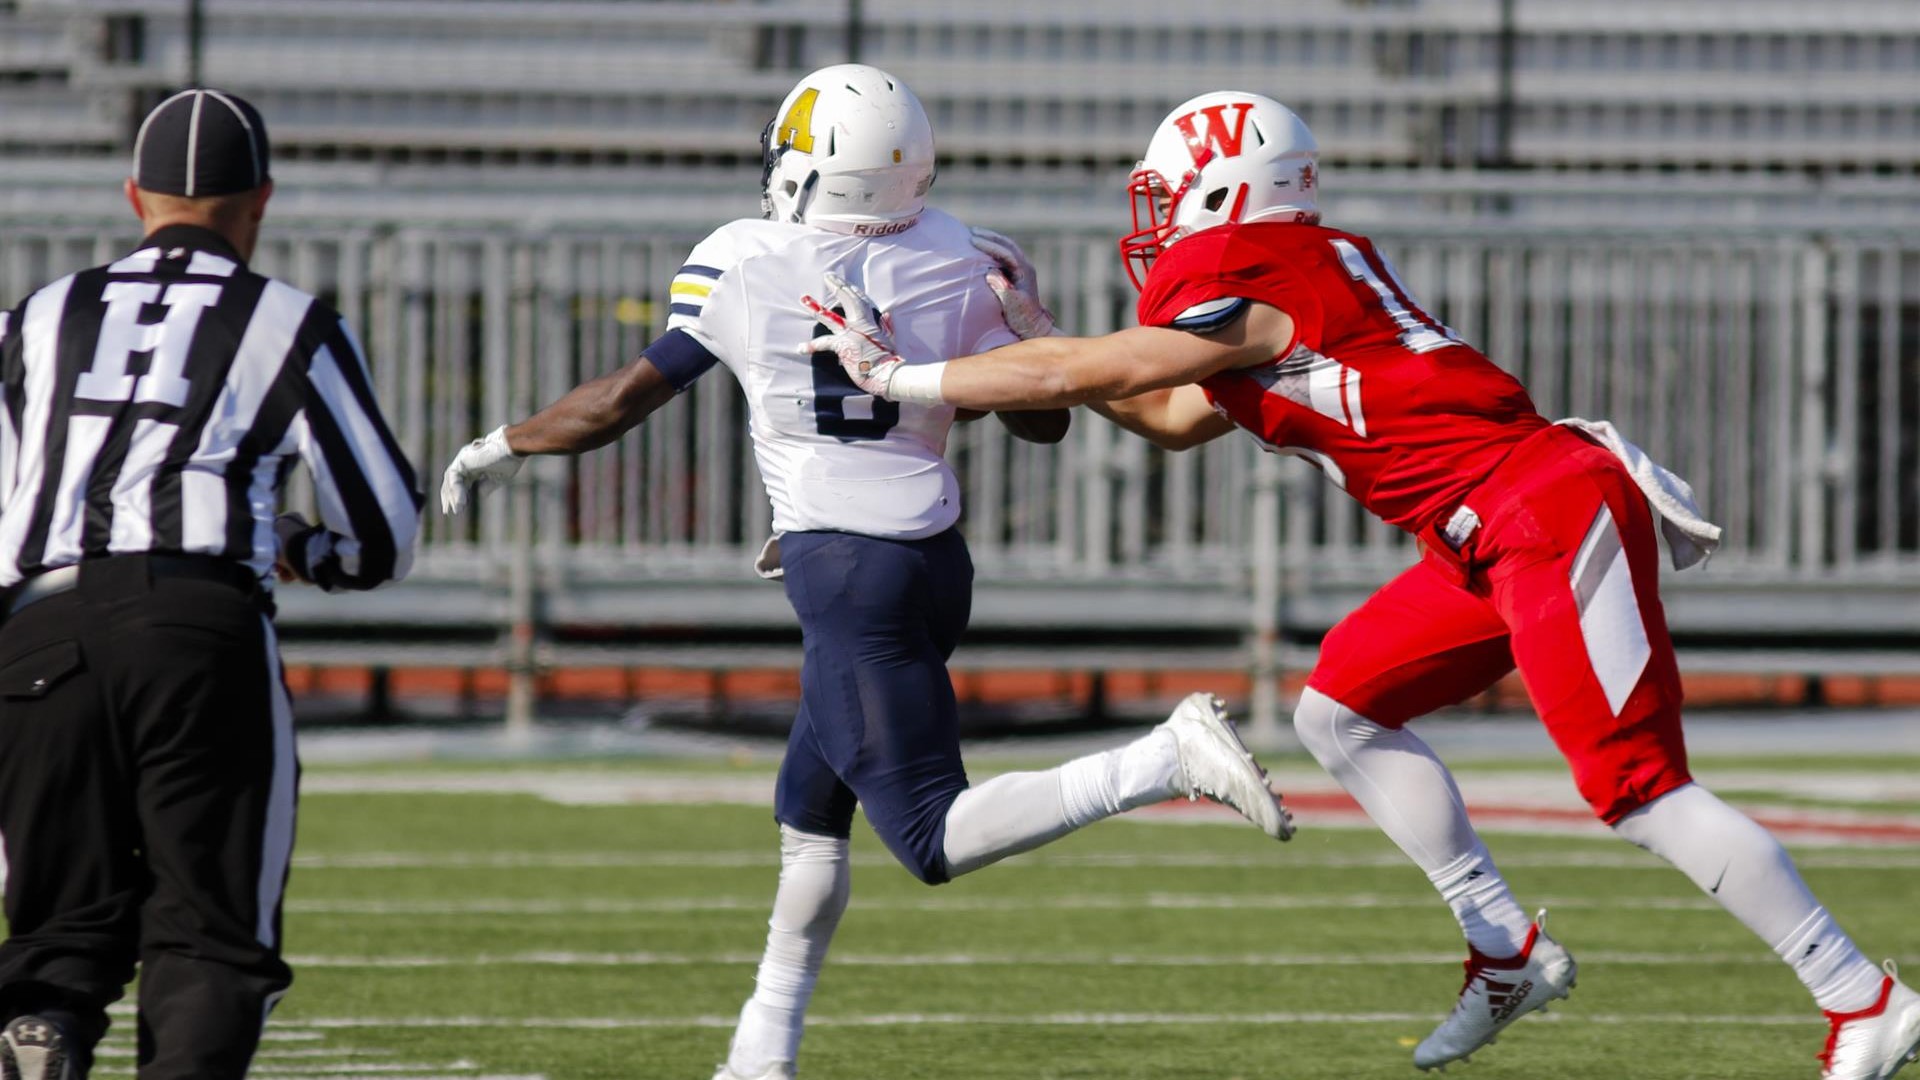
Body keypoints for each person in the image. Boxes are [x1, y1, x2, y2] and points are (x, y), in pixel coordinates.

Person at [808, 90, 1920, 1080]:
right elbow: (1170, 416)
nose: (1155, 223)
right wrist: (1039, 334)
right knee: (1338, 707)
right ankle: (1504, 947)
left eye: (1172, 195)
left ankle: (1860, 998)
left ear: (1224, 191)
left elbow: (1107, 374)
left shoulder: (1247, 272)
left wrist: (903, 370)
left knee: (1633, 784)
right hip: (1484, 529)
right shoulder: (1289, 274)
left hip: (1544, 509)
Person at [437, 65, 1294, 1080]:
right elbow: (1044, 421)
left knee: (933, 839)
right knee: (810, 819)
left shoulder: (744, 257)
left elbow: (621, 399)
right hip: (933, 564)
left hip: (848, 571)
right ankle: (760, 1056)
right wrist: (1027, 331)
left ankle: (1163, 758)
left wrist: (499, 443)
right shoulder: (960, 252)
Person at [0, 89, 423, 1080]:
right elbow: (383, 535)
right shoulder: (289, 320)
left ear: (133, 195)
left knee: (53, 936)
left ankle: (43, 1028)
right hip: (198, 623)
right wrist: (308, 552)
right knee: (208, 934)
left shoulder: (37, 315)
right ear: (261, 200)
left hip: (37, 628)